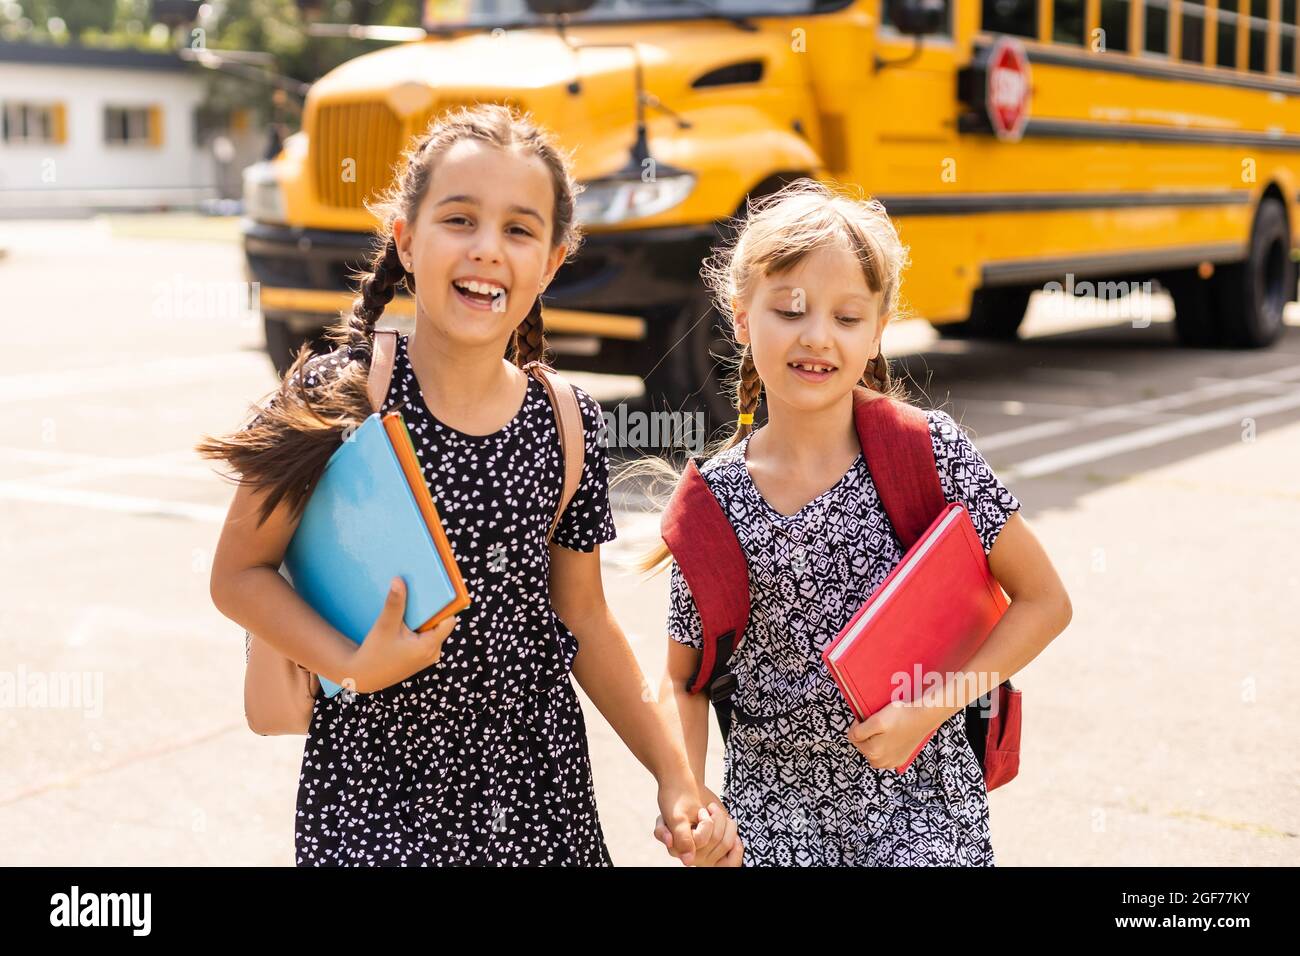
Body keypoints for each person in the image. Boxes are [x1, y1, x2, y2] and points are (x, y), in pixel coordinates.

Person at [198, 104, 737, 866]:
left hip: (540, 802)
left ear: (551, 262)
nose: (488, 249)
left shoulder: (565, 419)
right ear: (407, 239)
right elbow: (237, 574)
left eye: (519, 230)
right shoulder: (338, 397)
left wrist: (675, 778)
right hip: (374, 800)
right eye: (459, 220)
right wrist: (351, 664)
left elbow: (584, 618)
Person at [637, 179, 1072, 866]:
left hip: (926, 815)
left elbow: (1046, 602)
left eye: (846, 318)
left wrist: (930, 709)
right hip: (769, 828)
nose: (817, 338)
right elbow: (683, 683)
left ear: (876, 332)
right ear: (742, 316)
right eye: (790, 310)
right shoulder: (711, 505)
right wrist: (691, 803)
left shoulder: (930, 453)